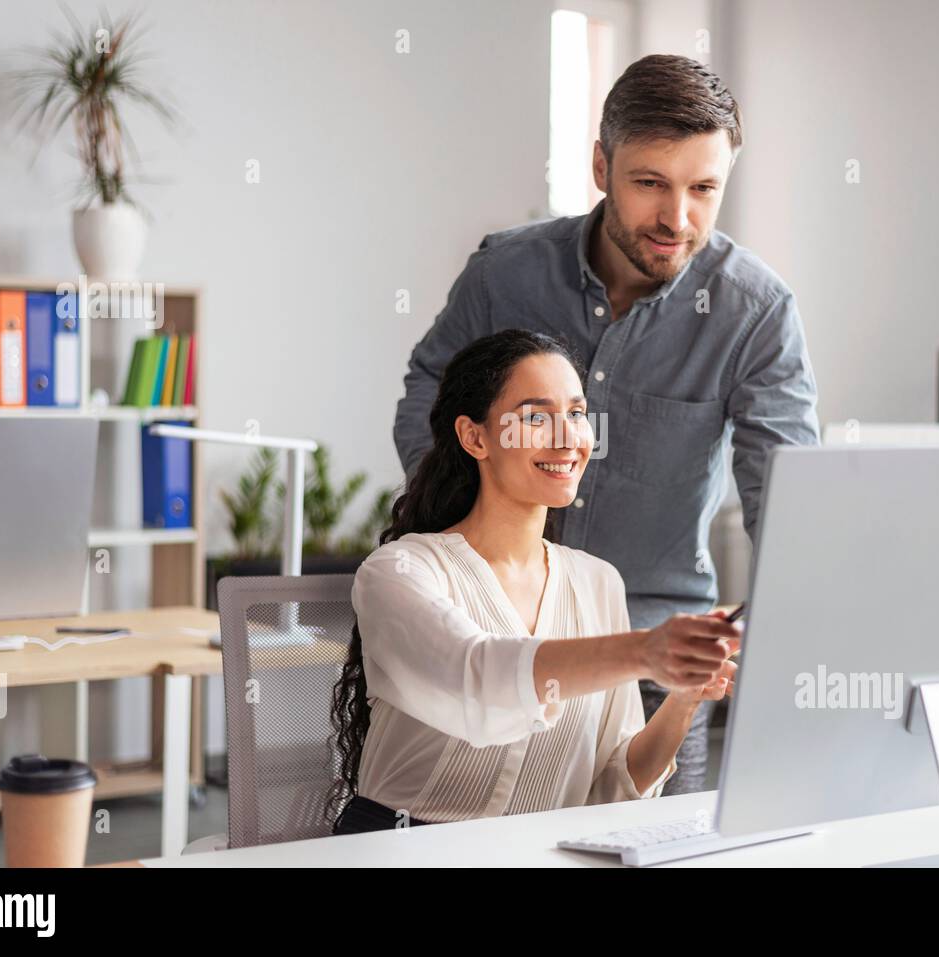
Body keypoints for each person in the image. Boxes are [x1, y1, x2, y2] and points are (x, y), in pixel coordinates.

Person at [393, 55, 819, 792]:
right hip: (499, 645)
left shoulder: (756, 312)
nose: (676, 218)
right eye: (650, 182)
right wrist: (475, 524)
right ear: (601, 165)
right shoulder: (506, 275)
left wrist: (782, 611)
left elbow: (791, 498)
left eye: (703, 189)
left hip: (661, 670)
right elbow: (429, 395)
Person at [328, 329, 740, 832]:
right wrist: (645, 652)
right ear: (474, 437)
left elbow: (612, 789)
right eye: (535, 418)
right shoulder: (400, 572)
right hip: (404, 852)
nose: (568, 438)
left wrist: (683, 699)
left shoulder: (597, 582)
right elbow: (477, 678)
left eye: (576, 413)